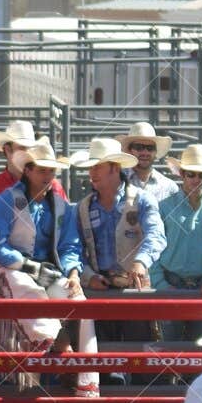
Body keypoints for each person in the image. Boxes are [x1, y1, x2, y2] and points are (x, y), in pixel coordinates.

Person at [0, 139, 96, 396]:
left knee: (79, 300)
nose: (47, 176)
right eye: (42, 170)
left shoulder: (62, 206)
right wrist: (27, 265)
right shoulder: (6, 201)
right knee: (24, 287)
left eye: (51, 171)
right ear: (28, 171)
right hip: (9, 270)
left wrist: (74, 274)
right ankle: (54, 341)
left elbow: (69, 247)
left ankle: (87, 380)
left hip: (48, 272)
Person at [71, 137, 165, 369]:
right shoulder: (83, 207)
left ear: (114, 167)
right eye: (91, 167)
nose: (91, 173)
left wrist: (141, 262)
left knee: (141, 362)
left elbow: (156, 236)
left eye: (96, 167)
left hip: (134, 291)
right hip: (98, 291)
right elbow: (73, 248)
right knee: (103, 362)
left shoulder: (142, 200)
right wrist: (88, 274)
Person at [155, 144, 202, 340]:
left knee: (201, 349)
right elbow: (152, 247)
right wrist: (162, 285)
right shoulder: (163, 208)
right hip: (171, 284)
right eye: (191, 174)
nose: (196, 179)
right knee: (171, 351)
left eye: (201, 175)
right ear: (182, 174)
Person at [0, 120, 58, 286]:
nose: (29, 153)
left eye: (31, 148)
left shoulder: (54, 188)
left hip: (44, 270)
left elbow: (60, 231)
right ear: (7, 150)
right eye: (23, 148)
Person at [117, 121, 180, 204]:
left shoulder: (169, 187)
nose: (145, 153)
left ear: (155, 152)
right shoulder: (116, 182)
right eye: (139, 147)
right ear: (130, 150)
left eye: (150, 148)